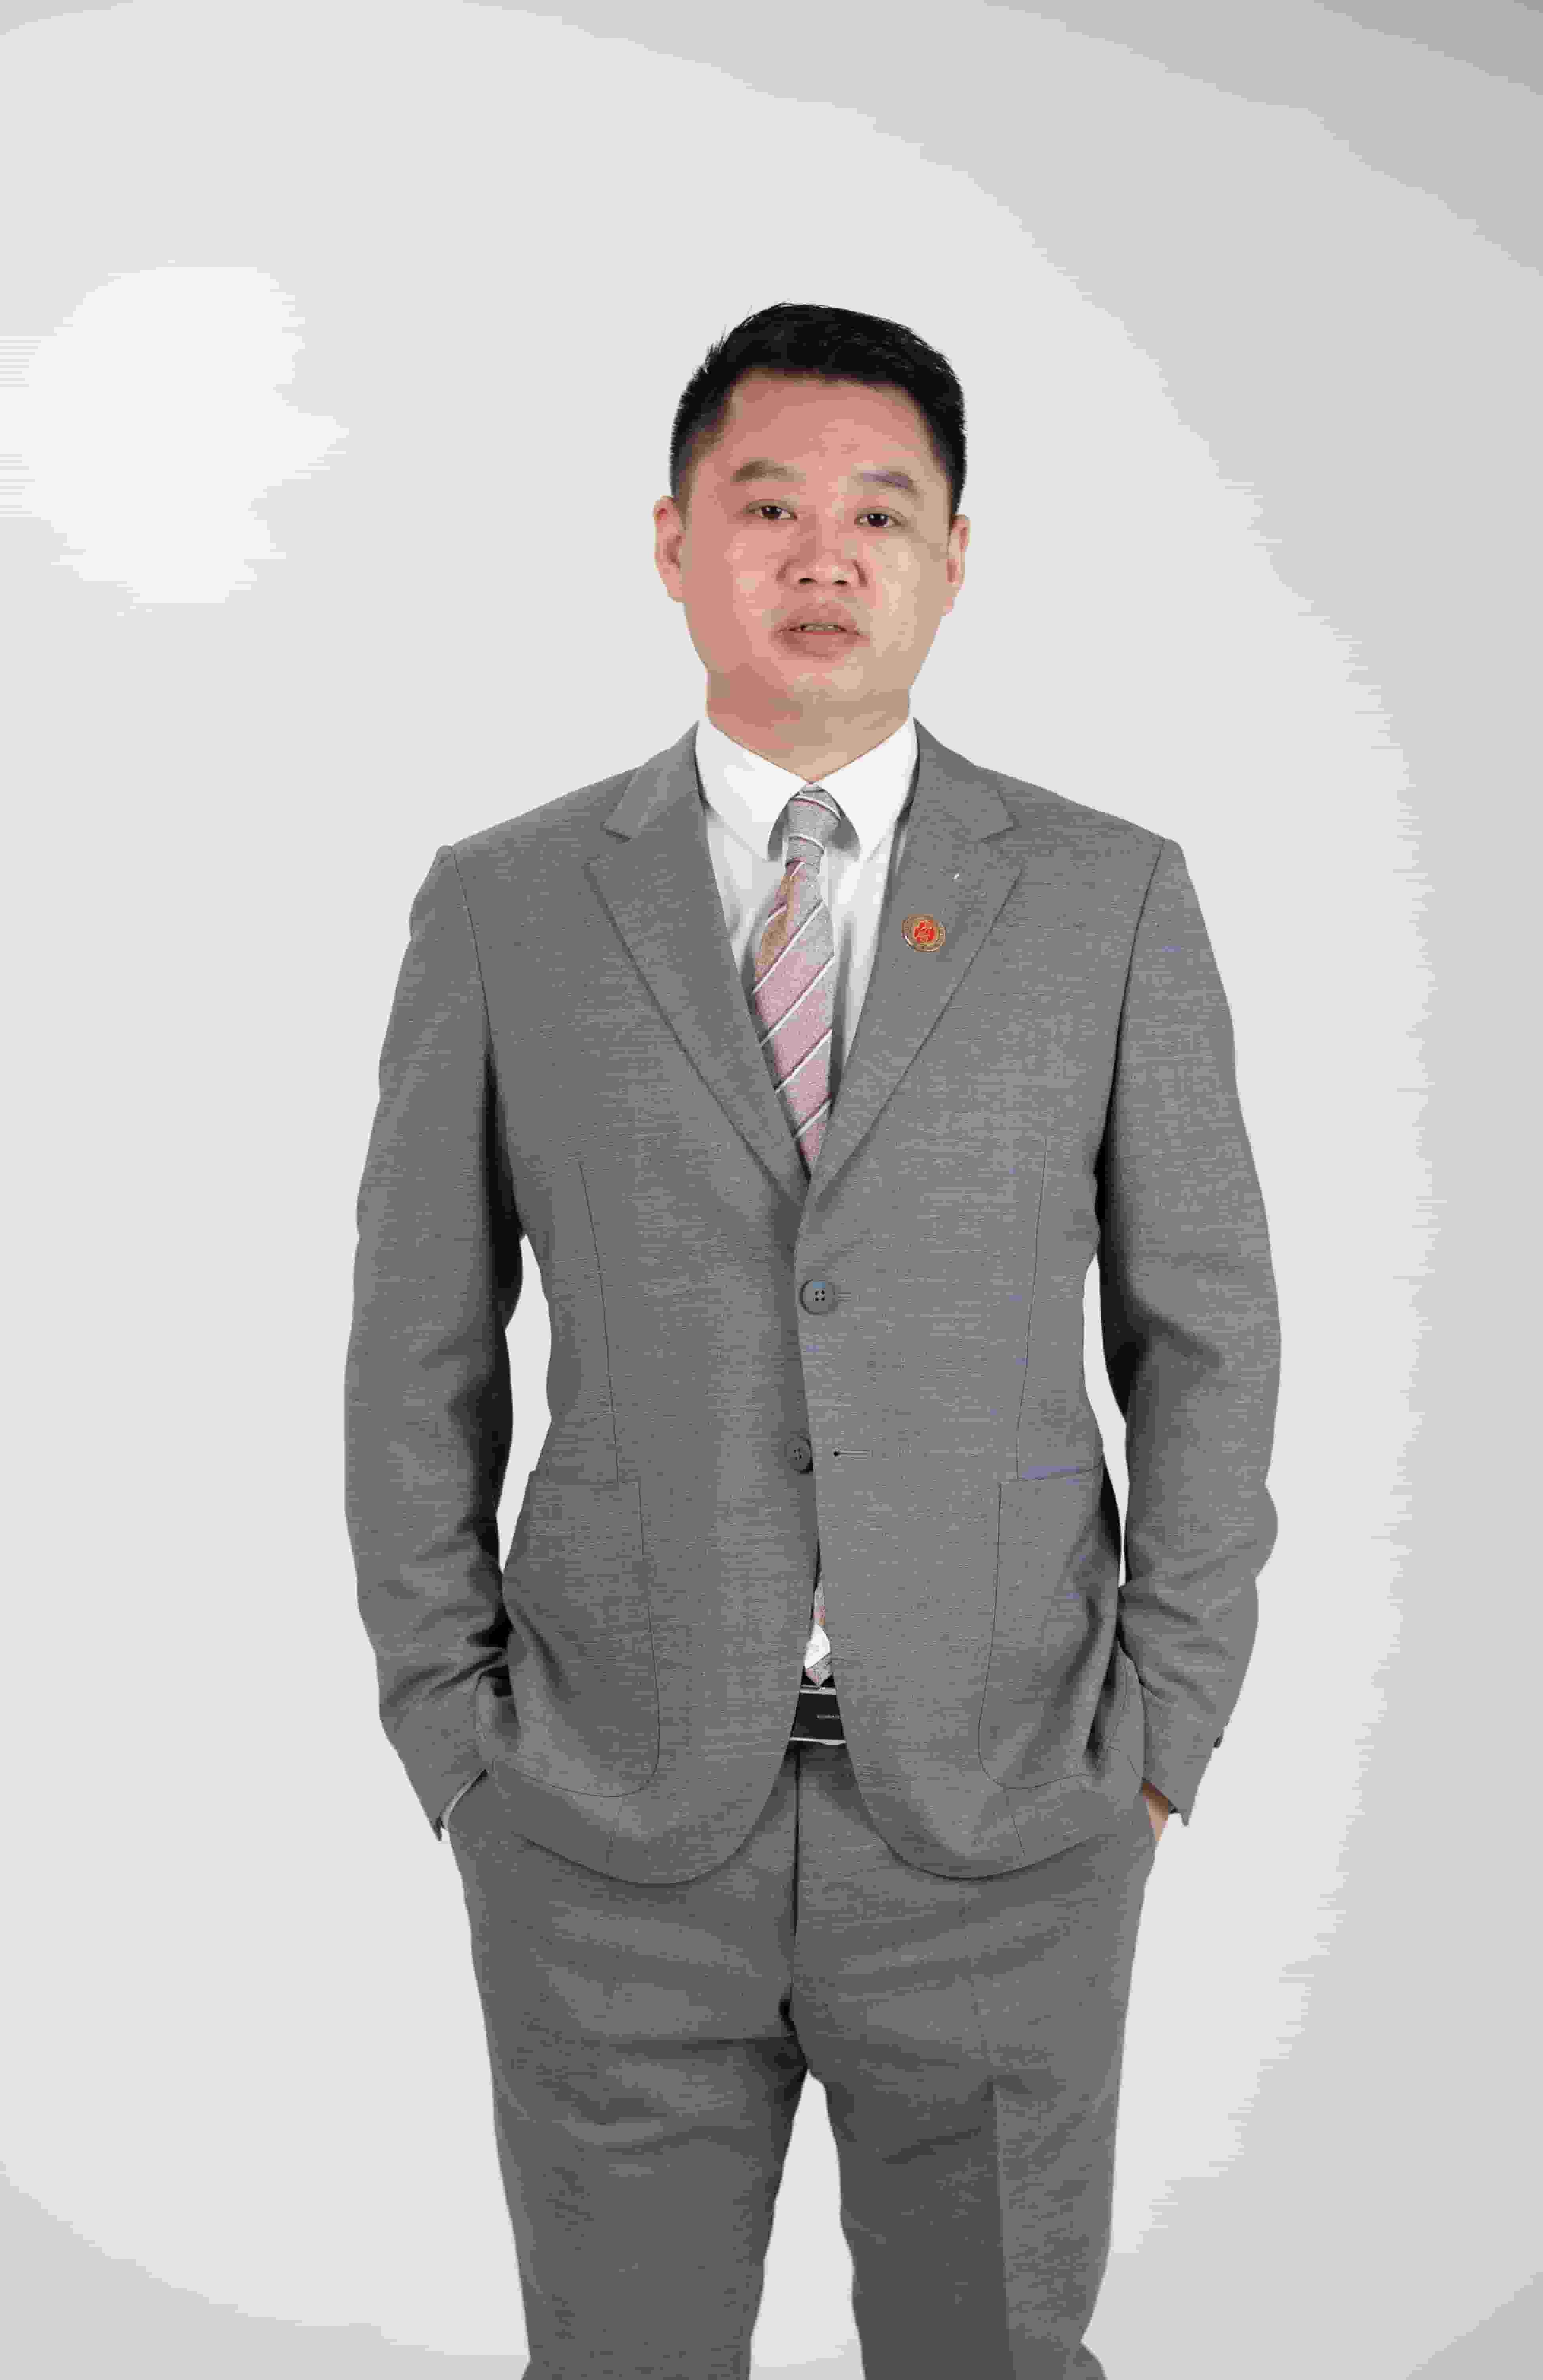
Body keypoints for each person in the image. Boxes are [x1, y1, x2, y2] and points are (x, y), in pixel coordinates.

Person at [344, 299, 1281, 2379]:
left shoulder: (1107, 900)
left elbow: (1206, 1332)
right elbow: (416, 1347)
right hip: (601, 1820)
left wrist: (1160, 1733)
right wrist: (454, 1737)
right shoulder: (507, 903)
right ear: (672, 542)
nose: (823, 552)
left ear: (955, 556)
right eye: (766, 504)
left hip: (1009, 1819)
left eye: (882, 509)